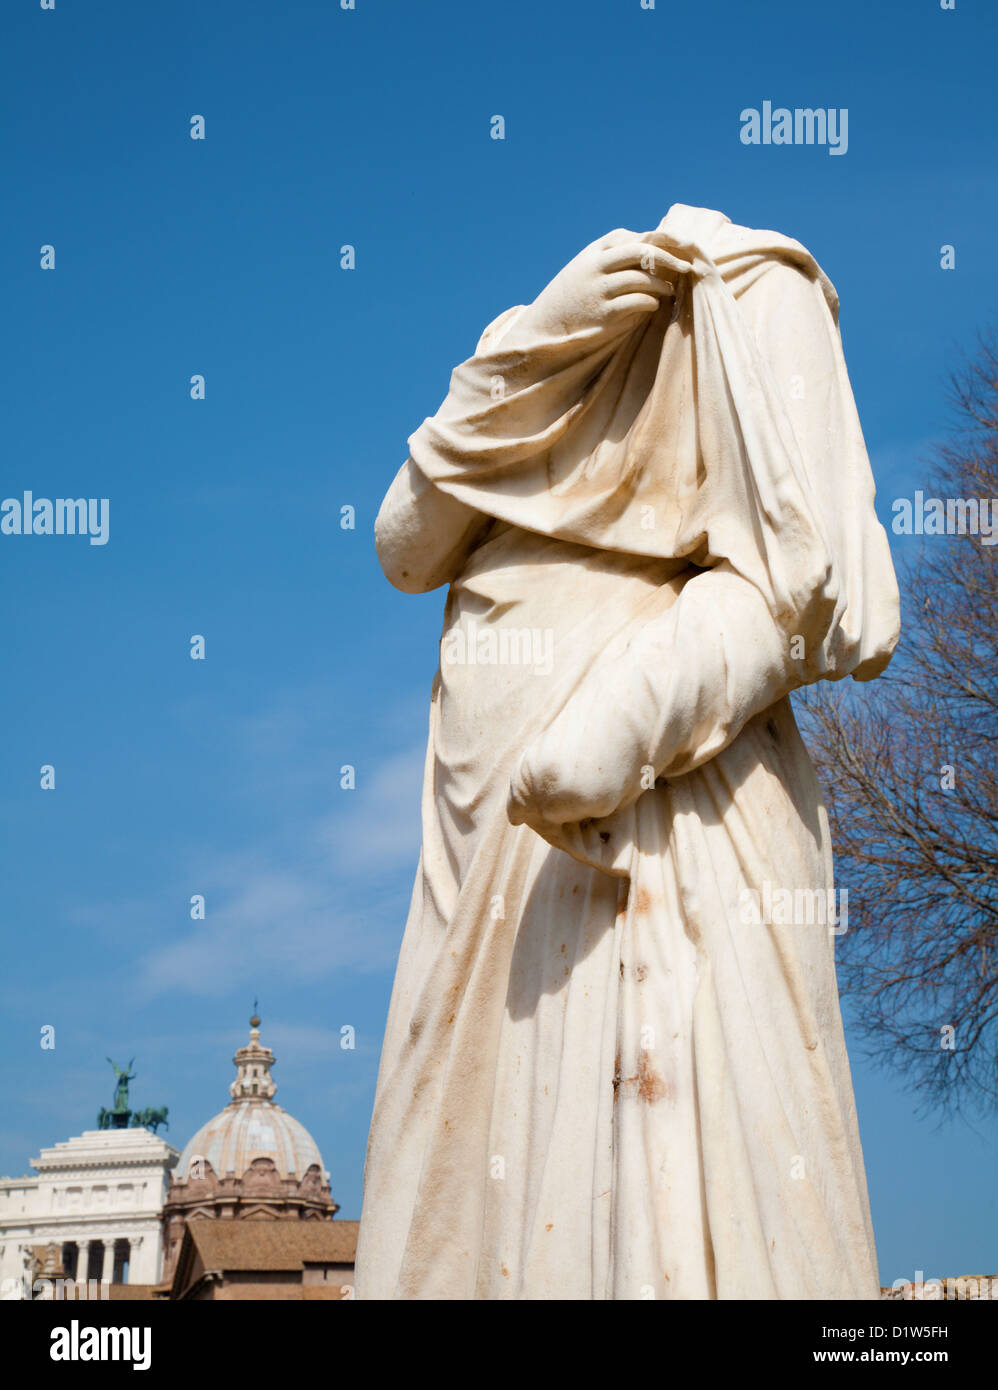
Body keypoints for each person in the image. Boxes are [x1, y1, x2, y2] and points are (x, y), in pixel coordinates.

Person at [354, 204, 900, 1300]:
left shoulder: (756, 290)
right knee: (468, 1199)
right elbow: (403, 545)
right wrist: (531, 346)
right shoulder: (545, 327)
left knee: (668, 1177)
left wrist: (624, 723)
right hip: (485, 835)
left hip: (666, 800)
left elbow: (821, 593)